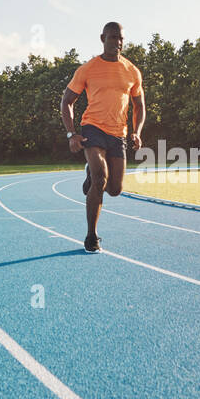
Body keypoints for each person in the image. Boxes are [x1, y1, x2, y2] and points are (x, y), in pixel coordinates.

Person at [59, 21, 145, 252]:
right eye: (112, 37)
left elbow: (139, 106)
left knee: (115, 189)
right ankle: (91, 236)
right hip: (92, 128)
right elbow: (66, 101)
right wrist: (72, 133)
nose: (117, 42)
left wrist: (136, 132)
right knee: (101, 177)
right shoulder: (88, 69)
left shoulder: (132, 71)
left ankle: (91, 175)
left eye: (121, 39)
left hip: (118, 134)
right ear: (102, 38)